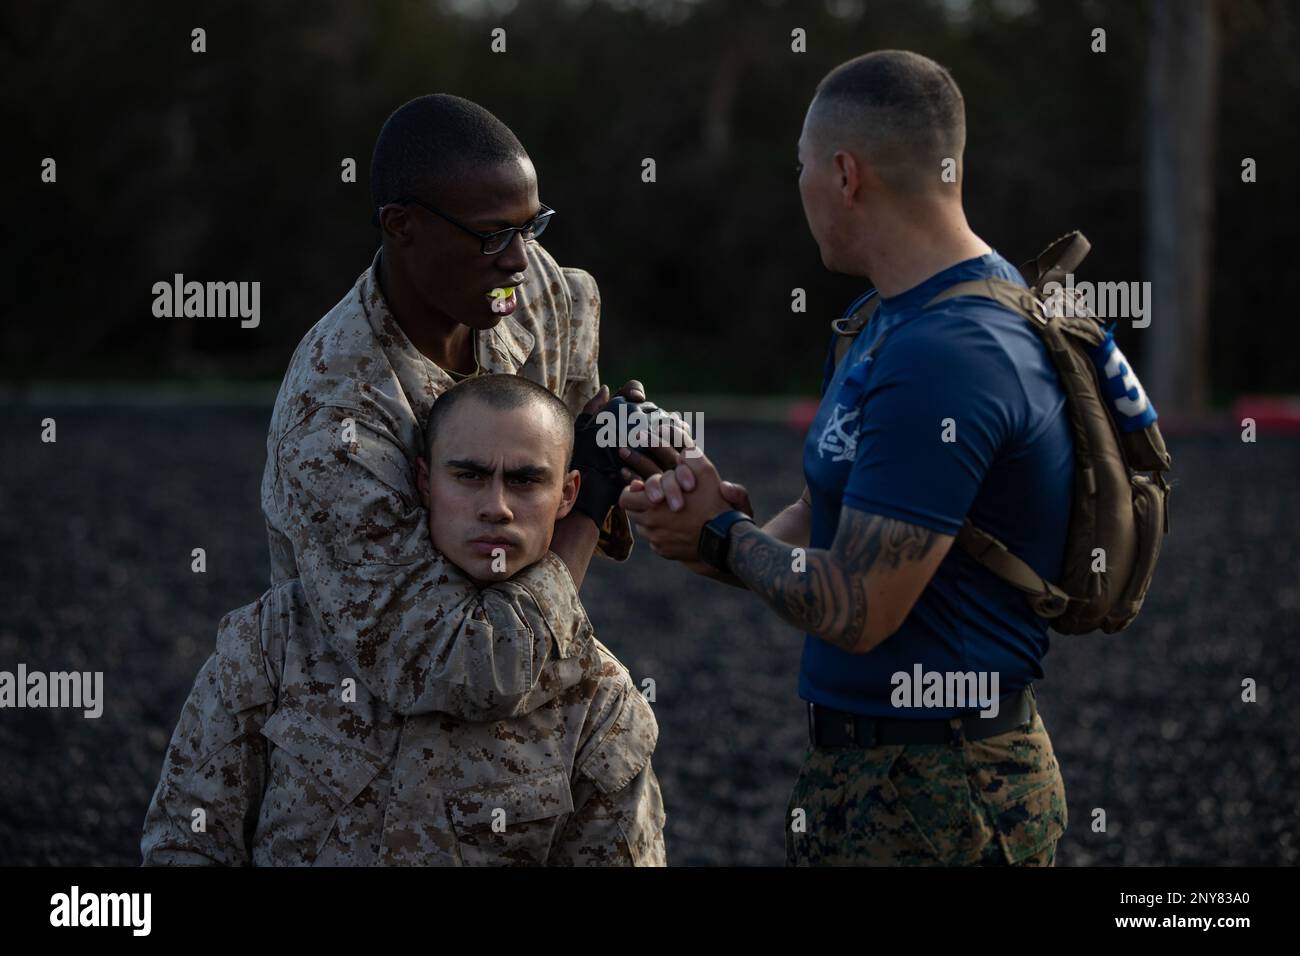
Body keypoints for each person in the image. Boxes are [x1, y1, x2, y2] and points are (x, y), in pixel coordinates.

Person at [618, 50, 1072, 866]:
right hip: (880, 775)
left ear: (843, 173)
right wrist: (712, 521)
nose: (798, 188)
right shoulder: (885, 320)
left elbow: (858, 607)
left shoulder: (950, 353)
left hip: (948, 792)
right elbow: (822, 529)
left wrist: (722, 537)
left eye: (800, 167)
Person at [142, 375, 665, 865]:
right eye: (469, 475)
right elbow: (185, 846)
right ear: (424, 482)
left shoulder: (599, 699)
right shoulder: (278, 641)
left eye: (526, 481)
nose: (497, 507)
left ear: (569, 495)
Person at [259, 92, 645, 720]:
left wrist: (629, 455)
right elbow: (465, 670)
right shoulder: (334, 417)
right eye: (493, 235)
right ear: (401, 226)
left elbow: (560, 491)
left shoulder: (538, 290)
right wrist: (590, 503)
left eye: (531, 226)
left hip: (533, 663)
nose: (520, 258)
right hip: (376, 739)